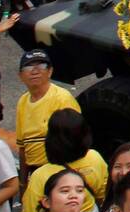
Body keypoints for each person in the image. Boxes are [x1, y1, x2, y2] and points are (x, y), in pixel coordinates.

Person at [13, 47, 80, 179]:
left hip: (60, 171)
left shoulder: (62, 98)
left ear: (50, 72)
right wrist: (23, 182)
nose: (35, 70)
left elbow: (76, 140)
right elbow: (23, 147)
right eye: (28, 67)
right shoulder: (22, 101)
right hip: (36, 172)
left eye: (41, 65)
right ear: (20, 76)